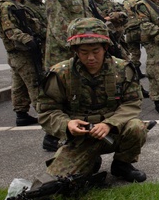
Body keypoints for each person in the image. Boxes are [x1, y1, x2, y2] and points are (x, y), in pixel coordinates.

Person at [37, 18, 149, 182]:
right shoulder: (60, 74)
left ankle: (122, 164)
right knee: (56, 182)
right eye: (84, 52)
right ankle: (90, 161)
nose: (90, 57)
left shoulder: (123, 69)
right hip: (80, 138)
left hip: (113, 132)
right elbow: (47, 111)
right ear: (75, 50)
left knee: (136, 127)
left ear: (105, 47)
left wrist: (109, 124)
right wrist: (67, 125)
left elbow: (132, 104)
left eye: (95, 51)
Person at [0, 0, 46, 129]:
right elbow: (11, 31)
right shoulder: (7, 7)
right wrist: (29, 41)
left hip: (18, 55)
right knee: (35, 85)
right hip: (22, 54)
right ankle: (47, 120)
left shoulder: (19, 6)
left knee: (19, 86)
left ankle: (21, 114)